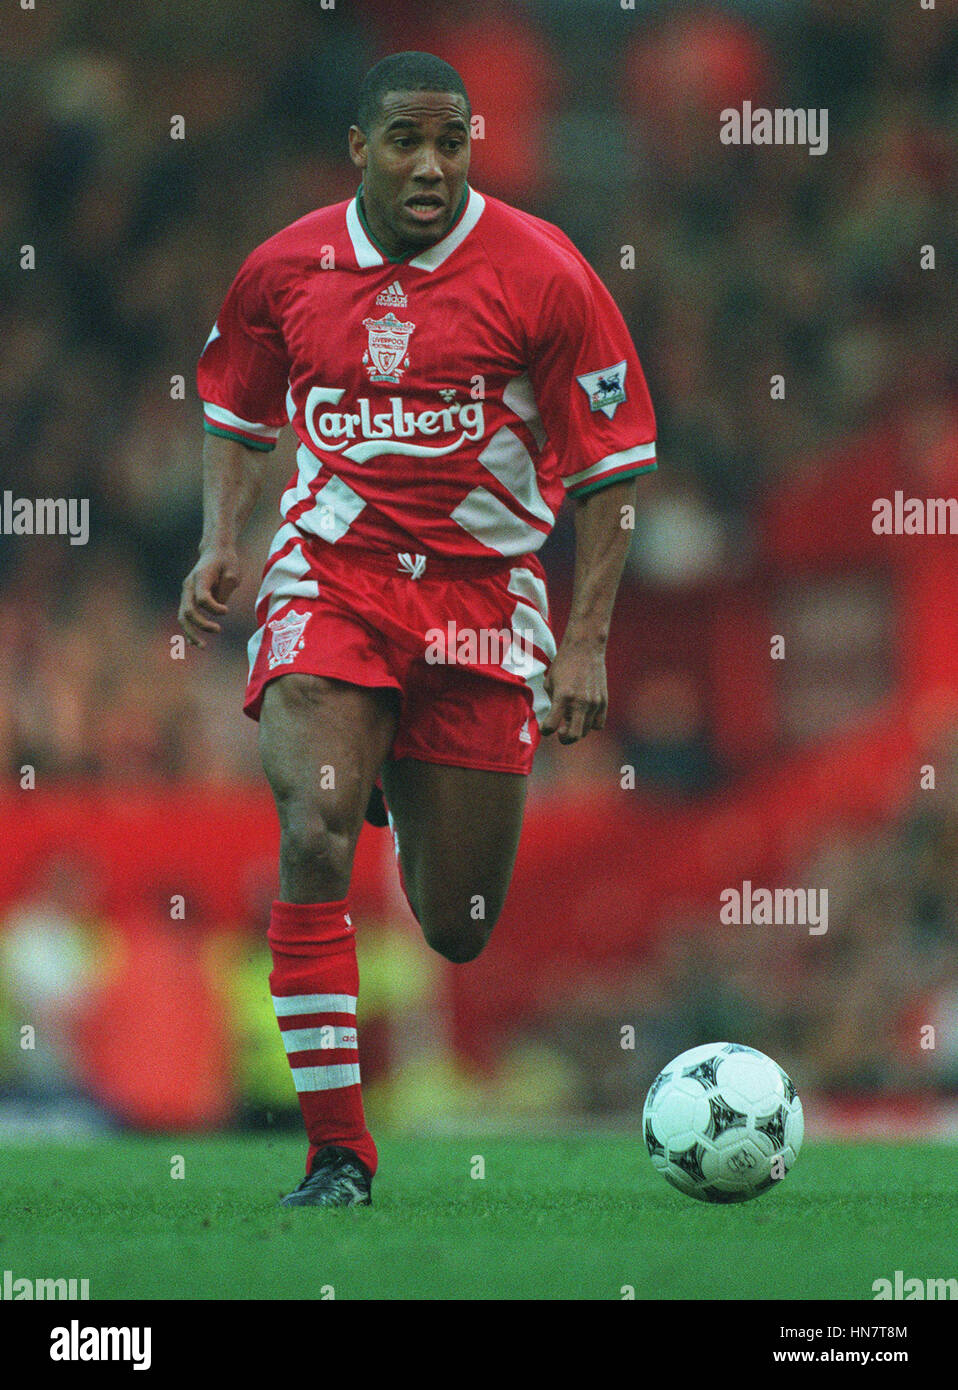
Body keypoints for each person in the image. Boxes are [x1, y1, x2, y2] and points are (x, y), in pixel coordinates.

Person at [178, 51, 657, 1207]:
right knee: (313, 828)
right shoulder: (284, 267)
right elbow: (236, 409)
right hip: (330, 584)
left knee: (457, 928)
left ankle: (394, 769)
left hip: (481, 603)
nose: (431, 165)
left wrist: (584, 642)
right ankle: (338, 1152)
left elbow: (612, 469)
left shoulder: (543, 271)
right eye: (405, 140)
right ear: (360, 147)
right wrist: (221, 539)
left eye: (451, 142)